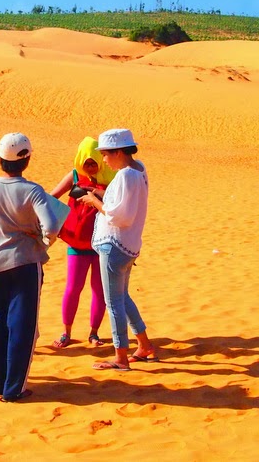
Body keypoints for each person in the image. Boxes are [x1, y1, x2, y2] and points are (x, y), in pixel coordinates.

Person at [0, 132, 63, 402]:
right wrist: (42, 240)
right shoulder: (32, 191)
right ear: (26, 160)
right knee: (22, 325)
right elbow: (51, 226)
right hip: (25, 263)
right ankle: (14, 388)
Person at [78, 128, 157, 371]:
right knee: (122, 297)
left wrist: (94, 202)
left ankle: (120, 358)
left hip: (114, 244)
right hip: (128, 245)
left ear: (120, 151)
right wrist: (100, 194)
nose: (104, 159)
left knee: (113, 302)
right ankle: (144, 346)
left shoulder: (125, 175)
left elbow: (118, 215)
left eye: (106, 154)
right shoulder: (138, 168)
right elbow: (123, 201)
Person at [47, 136, 116, 349]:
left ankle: (94, 333)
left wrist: (97, 193)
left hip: (101, 244)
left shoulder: (112, 177)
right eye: (87, 164)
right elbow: (52, 197)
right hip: (76, 243)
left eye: (94, 163)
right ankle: (66, 332)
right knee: (73, 288)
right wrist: (52, 224)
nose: (91, 168)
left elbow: (119, 204)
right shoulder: (75, 175)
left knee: (99, 290)